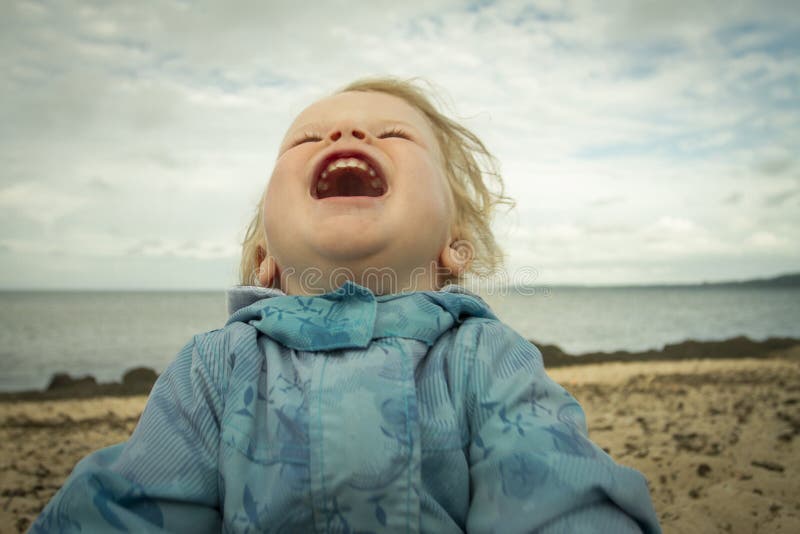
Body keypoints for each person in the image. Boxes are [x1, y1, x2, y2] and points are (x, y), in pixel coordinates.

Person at [33, 77, 661, 533]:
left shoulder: (483, 357)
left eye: (392, 133)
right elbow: (126, 507)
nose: (345, 132)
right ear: (264, 261)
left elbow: (559, 492)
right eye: (306, 139)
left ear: (453, 248)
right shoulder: (214, 369)